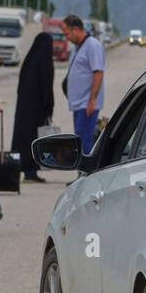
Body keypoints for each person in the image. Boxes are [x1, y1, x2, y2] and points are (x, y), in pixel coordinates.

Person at [12, 32, 55, 183]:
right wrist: (49, 106)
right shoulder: (45, 60)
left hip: (24, 107)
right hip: (37, 109)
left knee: (23, 138)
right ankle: (31, 171)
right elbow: (46, 86)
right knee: (34, 139)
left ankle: (24, 169)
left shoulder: (30, 59)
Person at [62, 14, 106, 154]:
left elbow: (98, 72)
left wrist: (92, 100)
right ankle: (82, 172)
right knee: (79, 141)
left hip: (86, 104)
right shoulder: (77, 47)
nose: (66, 37)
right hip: (78, 104)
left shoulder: (92, 45)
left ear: (75, 29)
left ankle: (86, 173)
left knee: (83, 142)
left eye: (67, 33)